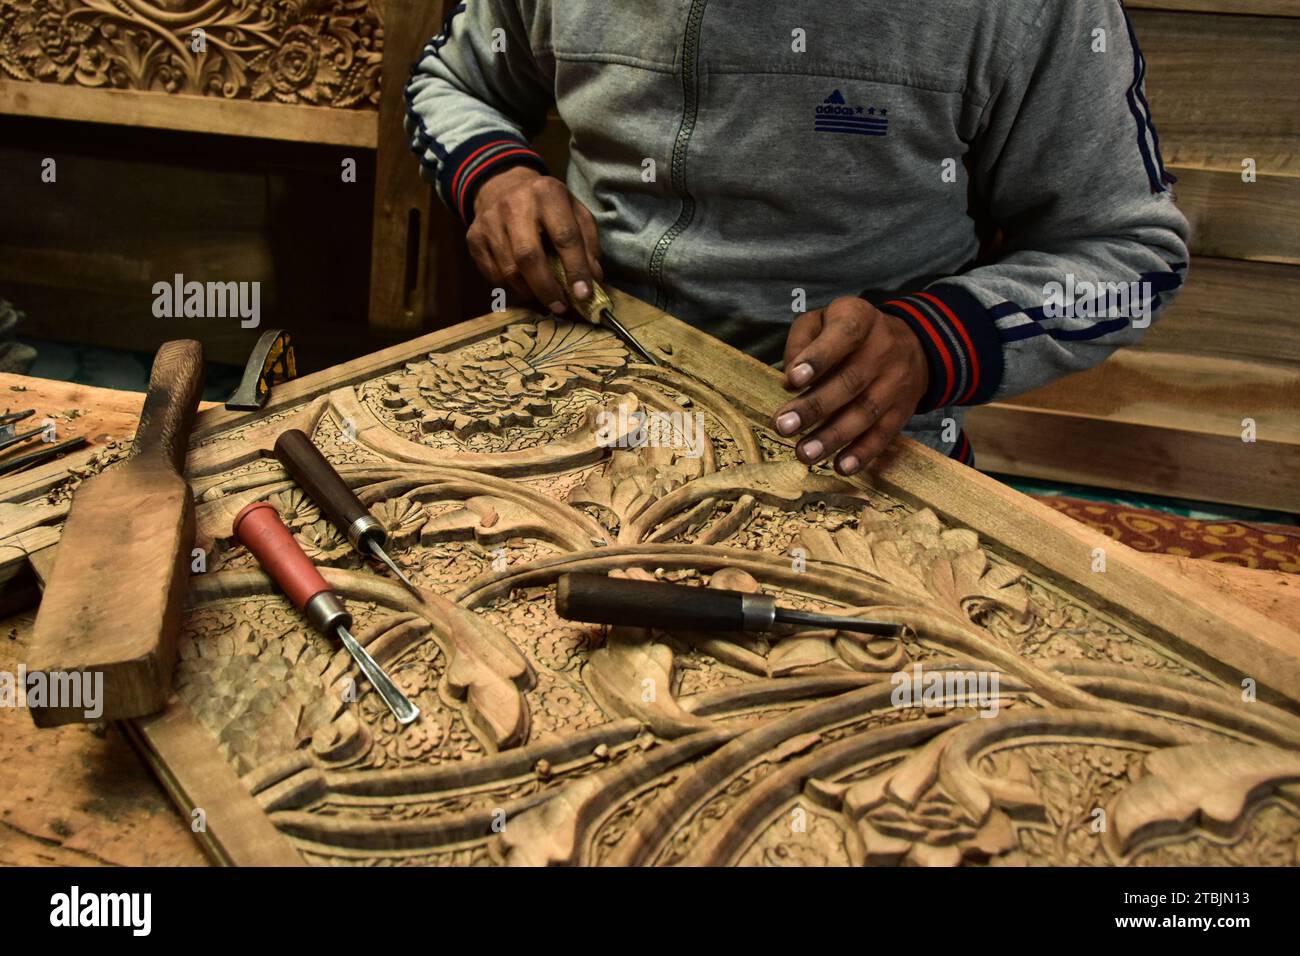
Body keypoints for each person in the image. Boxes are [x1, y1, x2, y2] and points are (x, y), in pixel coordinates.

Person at [405, 1, 1189, 475]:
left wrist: (929, 344)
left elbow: (1129, 253)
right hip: (571, 413)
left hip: (846, 455)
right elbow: (451, 79)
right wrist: (497, 176)